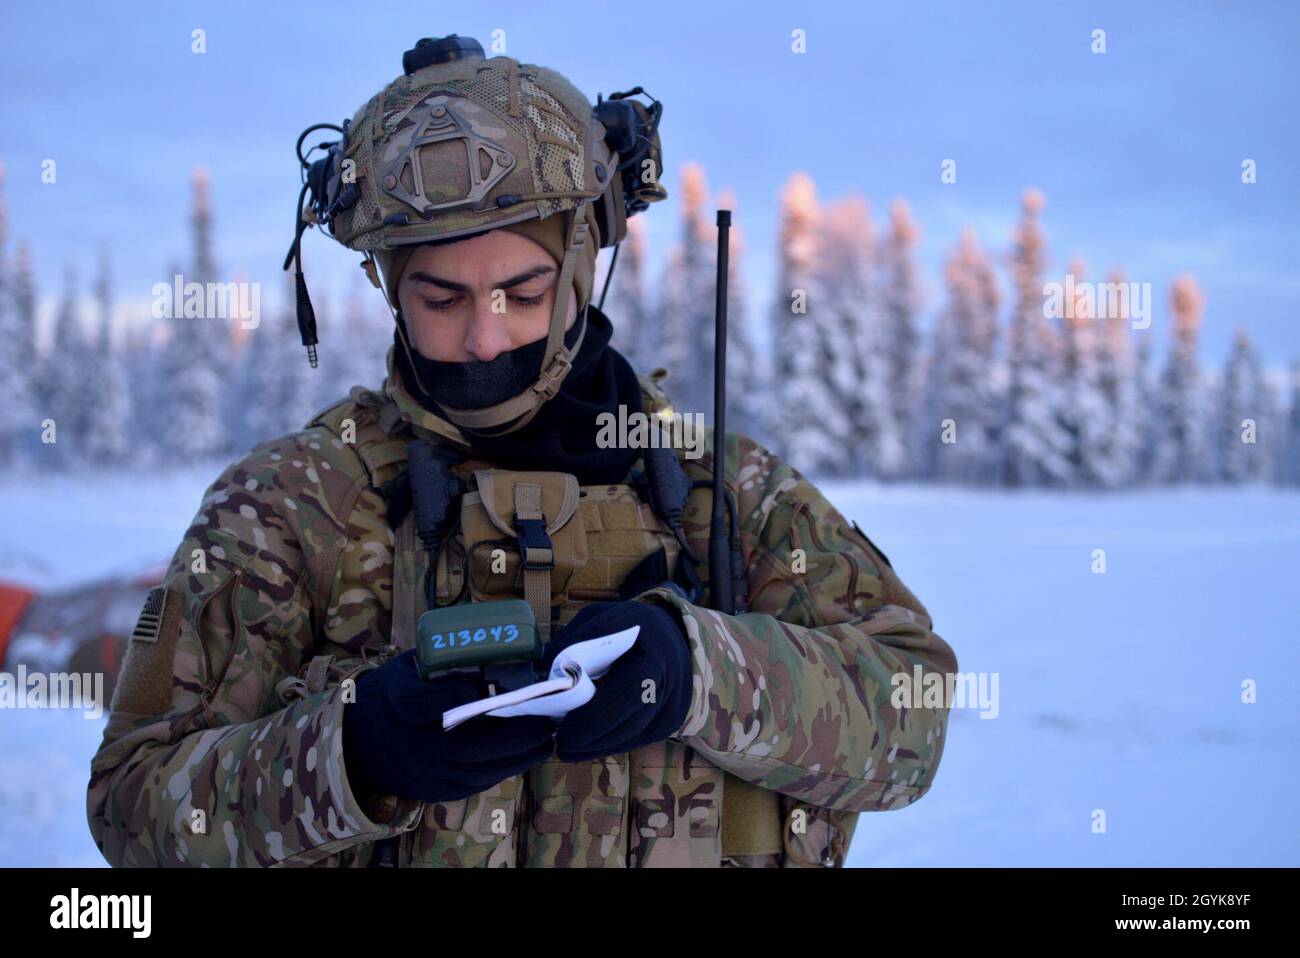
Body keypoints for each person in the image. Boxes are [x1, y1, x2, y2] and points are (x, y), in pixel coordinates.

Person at [87, 36, 958, 868]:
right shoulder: (295, 502)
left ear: (579, 270)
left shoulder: (718, 489)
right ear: (389, 286)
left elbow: (913, 716)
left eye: (522, 291)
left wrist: (703, 671)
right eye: (440, 298)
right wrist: (351, 755)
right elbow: (133, 805)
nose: (480, 337)